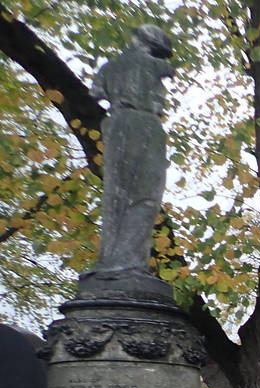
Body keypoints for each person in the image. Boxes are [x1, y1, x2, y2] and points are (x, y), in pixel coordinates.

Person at [90, 25, 174, 274]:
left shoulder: (109, 67)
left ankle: (111, 259)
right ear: (150, 44)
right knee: (145, 194)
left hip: (115, 124)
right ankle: (128, 262)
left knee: (116, 193)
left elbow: (95, 92)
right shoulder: (155, 64)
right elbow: (169, 69)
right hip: (144, 124)